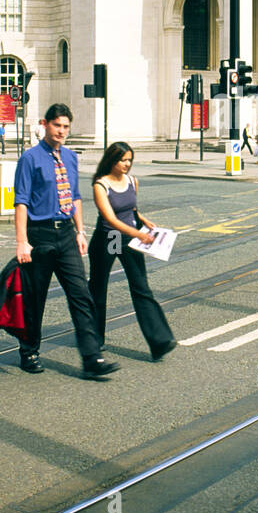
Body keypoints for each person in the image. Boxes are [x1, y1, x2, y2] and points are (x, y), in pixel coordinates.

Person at [14, 104, 117, 378]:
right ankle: (29, 351)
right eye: (57, 125)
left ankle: (92, 357)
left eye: (66, 127)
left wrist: (81, 231)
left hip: (66, 235)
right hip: (40, 235)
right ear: (45, 124)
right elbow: (21, 202)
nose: (61, 131)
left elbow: (75, 196)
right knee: (35, 298)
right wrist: (22, 241)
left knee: (81, 295)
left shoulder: (71, 157)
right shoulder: (30, 158)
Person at [88, 142, 178, 361]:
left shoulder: (132, 181)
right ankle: (94, 340)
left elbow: (132, 209)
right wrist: (138, 234)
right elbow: (110, 218)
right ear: (112, 160)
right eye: (123, 160)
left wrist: (144, 222)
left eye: (130, 160)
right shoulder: (101, 185)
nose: (127, 164)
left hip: (130, 238)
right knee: (98, 289)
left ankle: (159, 341)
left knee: (141, 287)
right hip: (109, 238)